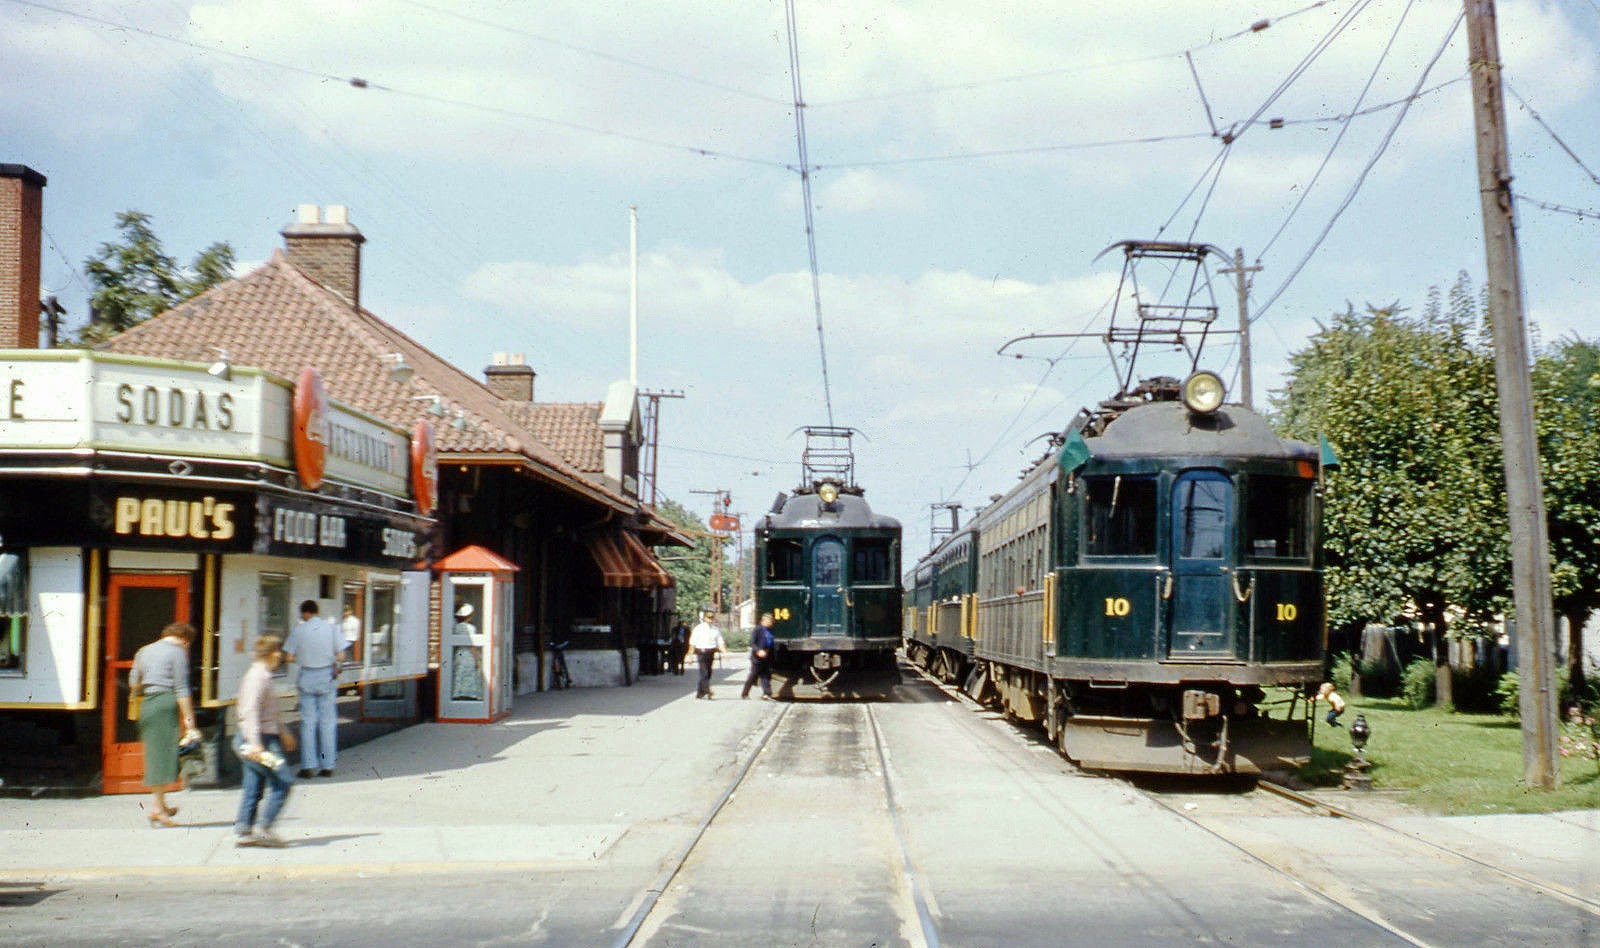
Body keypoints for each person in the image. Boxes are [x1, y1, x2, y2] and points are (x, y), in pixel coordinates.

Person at [129, 621, 198, 827]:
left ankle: (162, 804)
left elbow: (134, 682)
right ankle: (157, 809)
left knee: (157, 754)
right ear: (185, 640)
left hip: (147, 705)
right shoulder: (177, 652)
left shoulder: (144, 650)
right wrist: (190, 722)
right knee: (162, 757)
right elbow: (182, 688)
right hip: (165, 702)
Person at [234, 635, 297, 847]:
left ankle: (244, 830)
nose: (281, 655)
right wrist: (256, 744)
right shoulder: (257, 678)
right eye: (278, 651)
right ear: (272, 654)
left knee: (254, 783)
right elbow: (249, 712)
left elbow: (267, 713)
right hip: (260, 740)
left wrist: (284, 731)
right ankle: (265, 829)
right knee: (283, 781)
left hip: (258, 738)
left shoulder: (262, 675)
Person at [283, 599, 345, 778]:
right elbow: (341, 655)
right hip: (326, 676)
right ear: (317, 612)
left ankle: (308, 766)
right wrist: (335, 663)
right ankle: (327, 765)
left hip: (307, 677)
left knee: (308, 723)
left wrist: (303, 659)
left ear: (305, 613)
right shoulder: (332, 629)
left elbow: (288, 657)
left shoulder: (299, 630)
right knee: (327, 722)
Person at [688, 609, 724, 699]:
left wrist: (724, 652)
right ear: (704, 618)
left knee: (708, 672)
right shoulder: (698, 629)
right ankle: (707, 689)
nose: (710, 619)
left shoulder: (715, 629)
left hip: (711, 651)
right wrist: (690, 656)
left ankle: (700, 692)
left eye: (712, 617)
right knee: (704, 672)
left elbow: (720, 641)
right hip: (701, 651)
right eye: (708, 617)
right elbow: (692, 643)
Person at [741, 612, 776, 700]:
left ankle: (767, 694)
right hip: (757, 657)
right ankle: (745, 693)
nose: (772, 623)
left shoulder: (769, 630)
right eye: (770, 621)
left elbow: (770, 643)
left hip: (766, 657)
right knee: (753, 675)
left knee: (766, 675)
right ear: (764, 620)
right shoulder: (758, 629)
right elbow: (752, 643)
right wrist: (758, 651)